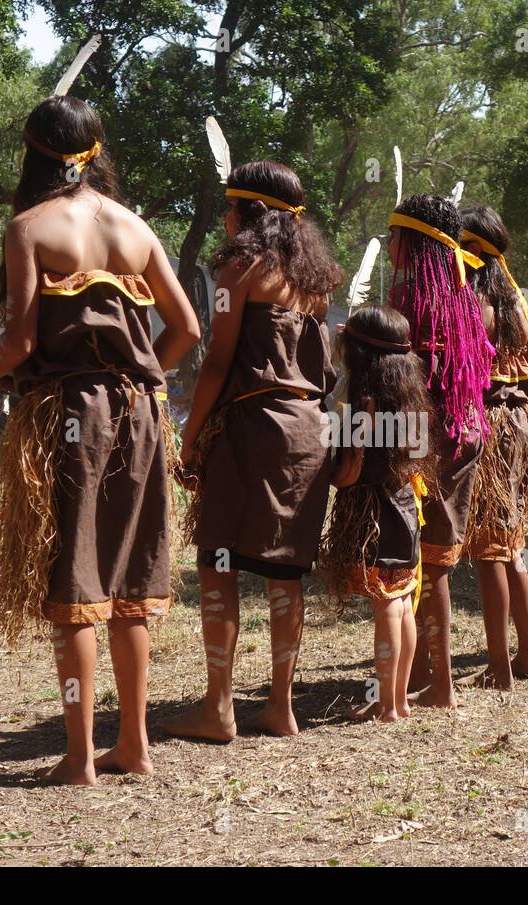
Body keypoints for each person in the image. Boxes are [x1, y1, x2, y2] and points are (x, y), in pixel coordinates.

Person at [0, 95, 200, 785]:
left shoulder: (28, 227)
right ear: (94, 150)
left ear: (34, 153)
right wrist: (135, 376)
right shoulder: (136, 228)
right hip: (141, 412)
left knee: (76, 582)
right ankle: (132, 746)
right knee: (132, 581)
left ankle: (79, 757)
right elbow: (188, 331)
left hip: (72, 415)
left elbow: (19, 339)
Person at [163, 158, 341, 742]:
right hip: (309, 433)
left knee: (218, 561)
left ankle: (218, 708)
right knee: (284, 571)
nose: (224, 221)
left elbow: (216, 362)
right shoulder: (313, 279)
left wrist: (188, 438)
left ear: (247, 213)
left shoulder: (239, 269)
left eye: (230, 209)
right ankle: (281, 707)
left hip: (254, 432)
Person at [386, 194, 493, 709]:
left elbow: (404, 377)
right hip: (466, 429)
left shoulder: (408, 298)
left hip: (428, 438)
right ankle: (430, 676)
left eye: (393, 236)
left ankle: (432, 683)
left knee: (417, 561)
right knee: (438, 561)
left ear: (412, 242)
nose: (387, 245)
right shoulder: (465, 296)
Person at [317, 305, 436, 721]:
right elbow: (417, 457)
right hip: (405, 504)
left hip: (375, 513)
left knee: (386, 605)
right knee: (401, 599)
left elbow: (348, 472)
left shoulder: (362, 402)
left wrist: (325, 476)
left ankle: (386, 705)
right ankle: (398, 700)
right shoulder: (413, 398)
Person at [457, 205, 528, 689]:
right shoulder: (518, 304)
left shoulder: (474, 301)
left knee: (488, 550)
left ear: (474, 249)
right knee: (511, 545)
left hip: (491, 427)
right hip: (523, 424)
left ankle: (500, 666)